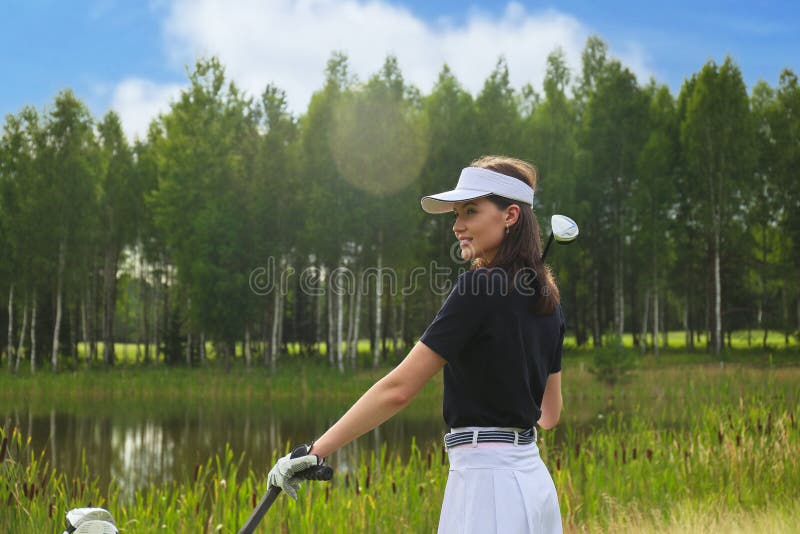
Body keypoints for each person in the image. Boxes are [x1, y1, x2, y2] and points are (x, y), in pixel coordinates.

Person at [267, 155, 565, 533]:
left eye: (470, 211)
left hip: (488, 487)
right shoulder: (549, 299)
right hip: (533, 483)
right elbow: (549, 415)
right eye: (456, 214)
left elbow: (398, 390)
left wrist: (314, 452)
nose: (457, 226)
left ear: (510, 216)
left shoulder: (478, 286)